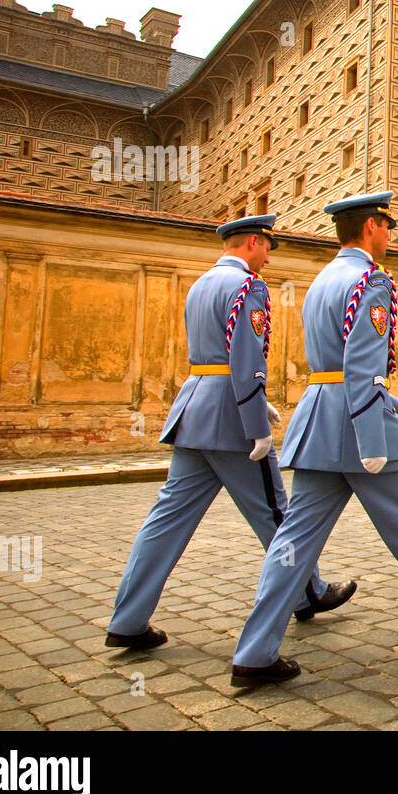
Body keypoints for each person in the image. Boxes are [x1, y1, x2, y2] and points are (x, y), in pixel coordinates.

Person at [230, 193, 398, 686]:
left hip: (318, 425)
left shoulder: (321, 280)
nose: (391, 237)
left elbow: (334, 364)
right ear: (373, 227)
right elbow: (360, 365)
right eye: (389, 227)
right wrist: (373, 434)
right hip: (360, 427)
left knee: (291, 543)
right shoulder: (371, 280)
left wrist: (391, 401)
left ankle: (253, 652)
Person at [105, 215, 355, 651]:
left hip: (194, 410)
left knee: (165, 521)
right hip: (231, 420)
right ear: (254, 242)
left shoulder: (200, 283)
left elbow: (211, 356)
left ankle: (127, 619)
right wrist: (255, 418)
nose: (268, 260)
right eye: (267, 249)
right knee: (277, 514)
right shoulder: (248, 287)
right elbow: (246, 357)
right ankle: (307, 591)